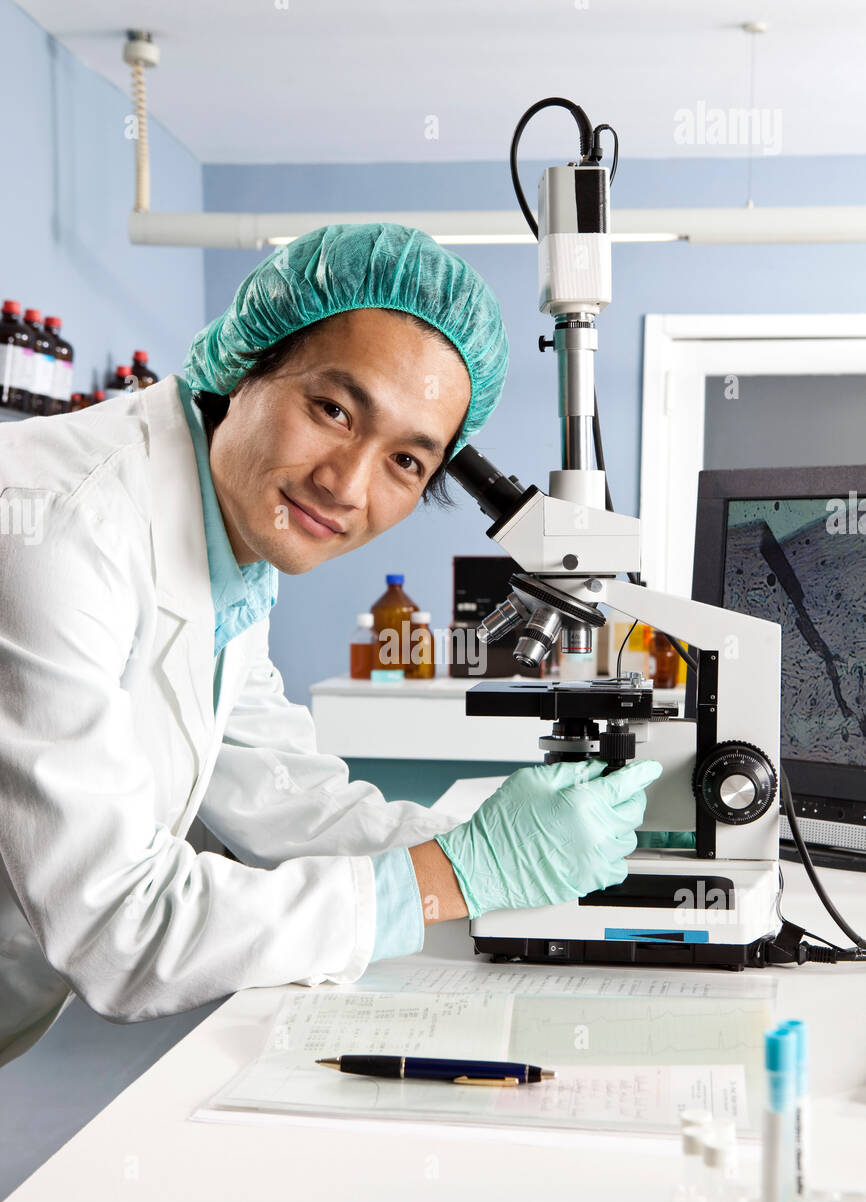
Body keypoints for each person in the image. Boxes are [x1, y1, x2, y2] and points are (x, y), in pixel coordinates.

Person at [0, 222, 660, 1068]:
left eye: (407, 463)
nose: (346, 485)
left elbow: (284, 795)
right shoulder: (55, 526)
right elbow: (119, 930)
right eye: (334, 410)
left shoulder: (227, 540)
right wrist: (461, 872)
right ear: (247, 367)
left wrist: (495, 853)